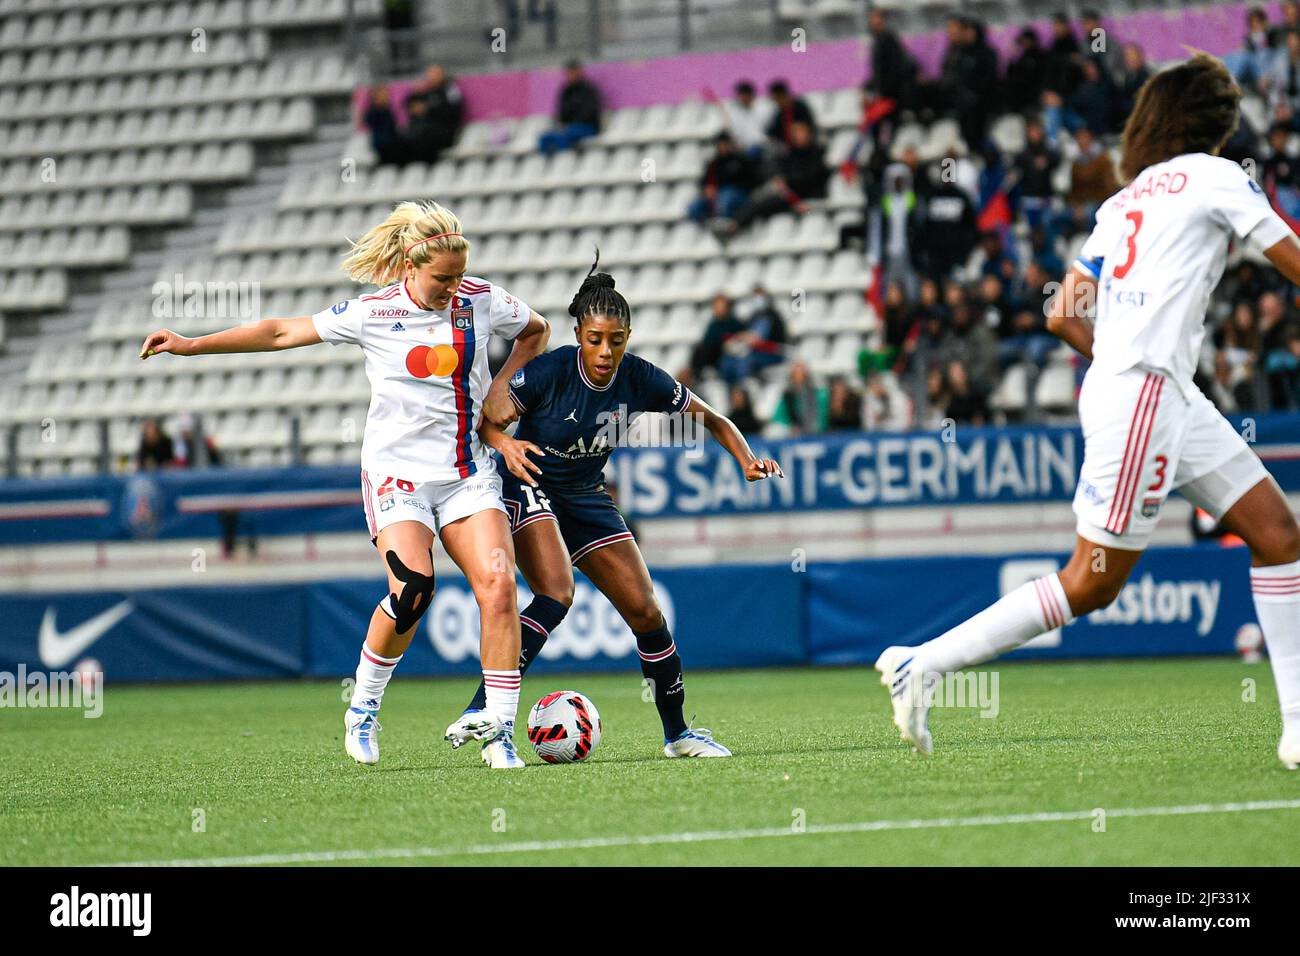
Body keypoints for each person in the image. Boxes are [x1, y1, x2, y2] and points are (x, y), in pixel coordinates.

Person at [875, 54, 1300, 772]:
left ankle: (1296, 727)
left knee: (1279, 534)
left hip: (1156, 389)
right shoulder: (1220, 178)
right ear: (1213, 127)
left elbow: (1063, 309)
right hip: (1144, 391)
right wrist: (1134, 364)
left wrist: (1122, 354)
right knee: (1093, 581)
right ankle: (925, 664)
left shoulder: (1126, 197)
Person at [138, 200, 551, 770]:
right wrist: (191, 344)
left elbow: (537, 331)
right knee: (412, 591)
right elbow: (281, 331)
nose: (454, 287)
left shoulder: (481, 298)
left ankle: (499, 733)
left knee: (500, 588)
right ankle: (363, 706)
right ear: (411, 266)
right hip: (397, 474)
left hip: (466, 470)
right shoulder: (373, 313)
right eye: (442, 278)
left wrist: (503, 390)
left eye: (459, 275)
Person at [446, 258, 785, 757]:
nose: (606, 351)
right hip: (528, 483)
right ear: (579, 333)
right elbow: (487, 423)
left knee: (647, 612)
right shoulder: (550, 371)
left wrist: (747, 460)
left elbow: (713, 419)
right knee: (557, 594)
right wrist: (504, 443)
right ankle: (488, 721)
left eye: (617, 340)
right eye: (596, 339)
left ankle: (679, 736)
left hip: (585, 494)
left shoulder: (641, 379)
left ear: (627, 337)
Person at [539, 59, 601, 154]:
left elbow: (591, 111)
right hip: (569, 128)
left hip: (588, 126)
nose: (571, 75)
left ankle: (564, 161)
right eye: (569, 72)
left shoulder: (588, 90)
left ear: (579, 72)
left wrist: (572, 124)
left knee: (562, 136)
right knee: (544, 137)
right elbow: (562, 111)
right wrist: (565, 123)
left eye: (573, 72)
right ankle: (545, 163)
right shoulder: (566, 91)